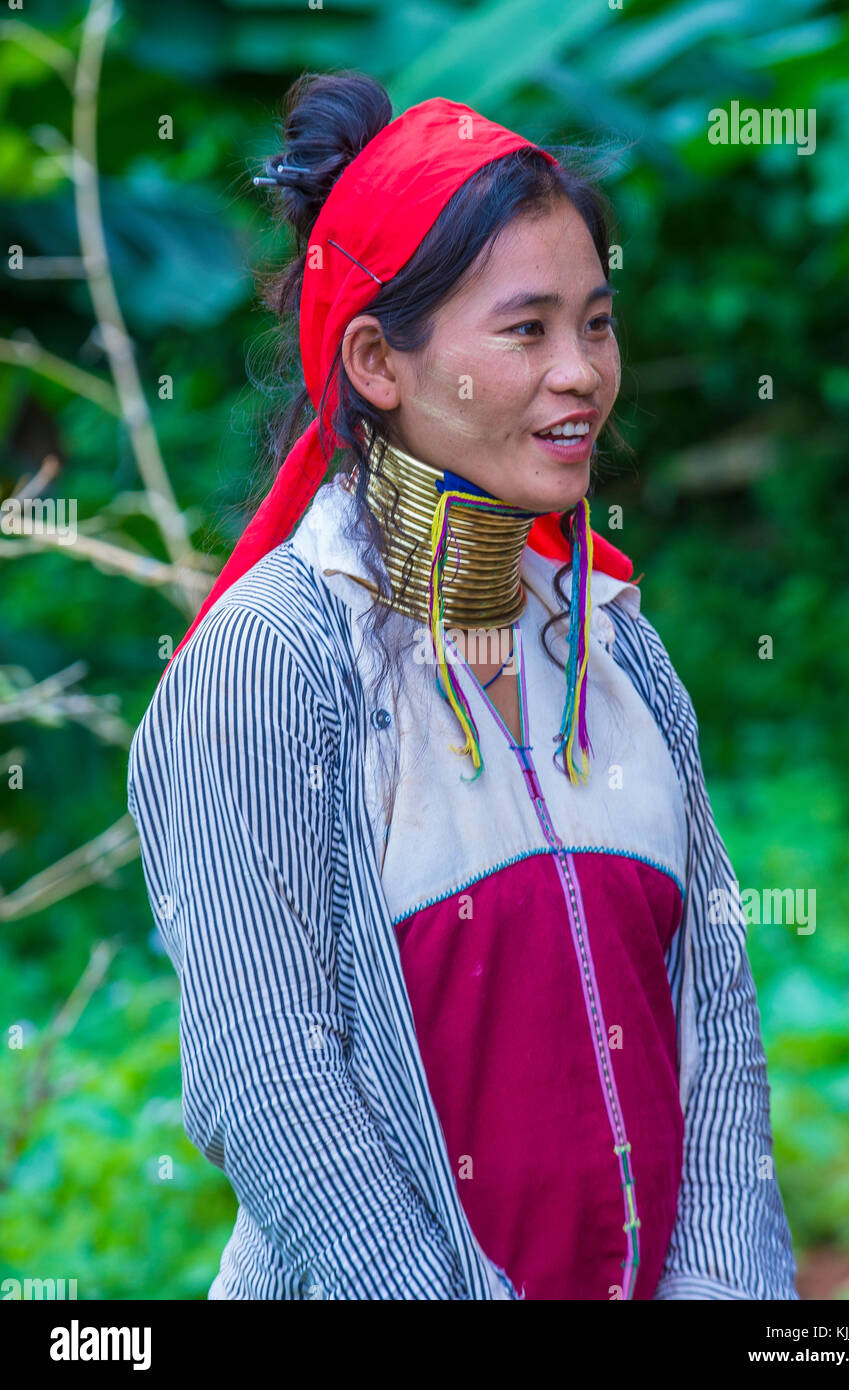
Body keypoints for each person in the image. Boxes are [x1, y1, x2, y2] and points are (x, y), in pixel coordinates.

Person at [126, 71, 798, 1301]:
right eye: (528, 328)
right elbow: (272, 1080)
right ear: (378, 361)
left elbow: (717, 1032)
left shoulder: (615, 649)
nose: (583, 372)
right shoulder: (266, 670)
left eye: (596, 323)